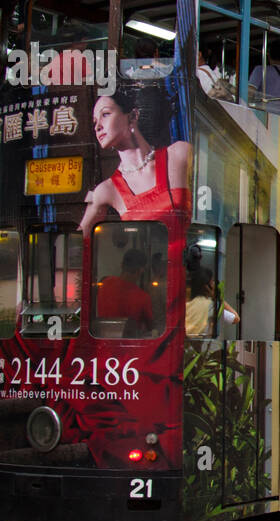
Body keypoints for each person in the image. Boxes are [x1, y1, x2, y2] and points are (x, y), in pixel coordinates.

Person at [79, 89, 192, 238]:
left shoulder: (179, 154)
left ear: (132, 116)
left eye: (105, 114)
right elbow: (78, 241)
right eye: (94, 121)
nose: (97, 126)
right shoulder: (107, 190)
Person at [96, 250, 154, 337]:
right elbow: (151, 326)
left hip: (103, 340)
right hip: (130, 345)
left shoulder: (105, 283)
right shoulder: (143, 297)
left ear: (121, 265)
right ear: (141, 270)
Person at [185, 267, 239, 337]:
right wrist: (220, 298)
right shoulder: (211, 305)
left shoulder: (187, 304)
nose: (214, 284)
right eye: (212, 281)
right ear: (207, 286)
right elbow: (236, 319)